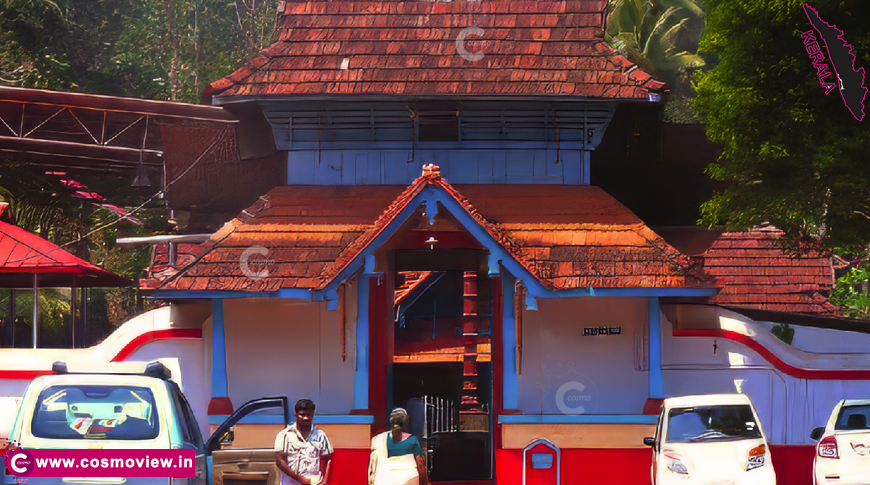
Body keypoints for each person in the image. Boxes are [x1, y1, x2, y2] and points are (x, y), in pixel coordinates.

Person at [275, 399, 333, 485]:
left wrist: (324, 481)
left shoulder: (320, 436)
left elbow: (328, 459)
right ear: (296, 413)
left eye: (308, 414)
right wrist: (299, 478)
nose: (306, 418)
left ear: (313, 414)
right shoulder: (284, 435)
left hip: (313, 482)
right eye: (302, 414)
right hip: (290, 482)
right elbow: (280, 461)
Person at [368, 408, 428, 485]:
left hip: (385, 480)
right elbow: (420, 465)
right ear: (406, 423)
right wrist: (425, 481)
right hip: (409, 479)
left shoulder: (379, 439)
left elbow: (373, 467)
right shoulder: (413, 440)